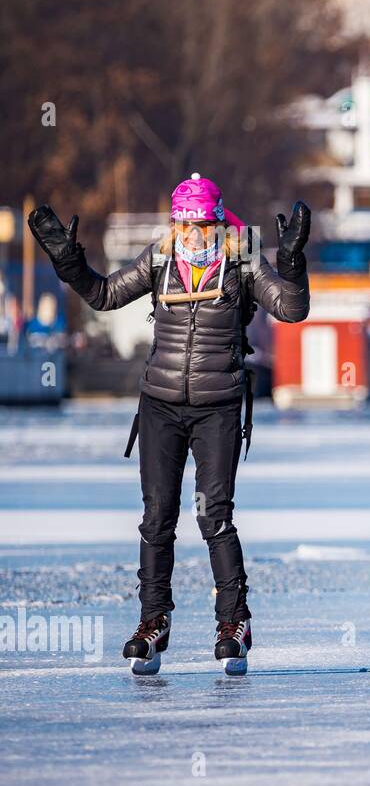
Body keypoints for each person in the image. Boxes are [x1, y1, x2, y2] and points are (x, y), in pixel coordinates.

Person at [27, 174, 311, 675]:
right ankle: (152, 621)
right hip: (160, 405)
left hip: (217, 406)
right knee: (157, 517)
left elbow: (291, 308)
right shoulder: (160, 258)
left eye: (199, 224)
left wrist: (290, 262)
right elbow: (104, 295)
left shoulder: (242, 260)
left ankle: (233, 623)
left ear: (218, 223)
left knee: (213, 517)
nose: (191, 235)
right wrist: (69, 262)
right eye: (182, 224)